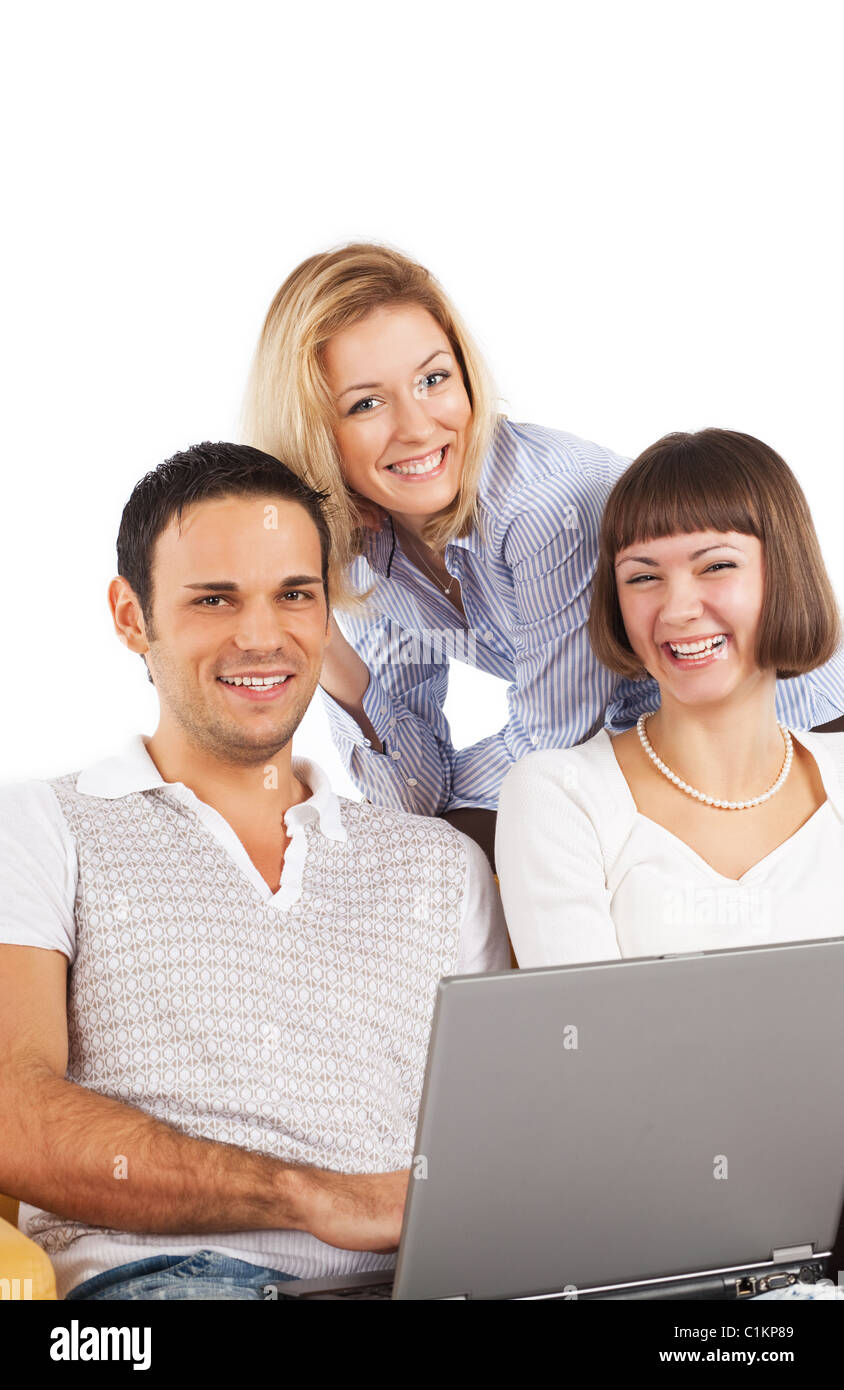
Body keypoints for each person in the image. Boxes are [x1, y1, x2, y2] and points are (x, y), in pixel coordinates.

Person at [0, 442, 509, 1301]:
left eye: (295, 595)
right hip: (169, 1284)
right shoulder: (44, 826)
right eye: (213, 599)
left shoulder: (440, 865)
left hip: (425, 1281)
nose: (262, 636)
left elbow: (512, 1132)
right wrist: (307, 1197)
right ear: (132, 617)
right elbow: (14, 1113)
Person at [242, 245, 844, 868]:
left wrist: (438, 812)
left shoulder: (542, 509)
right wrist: (331, 655)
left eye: (433, 379)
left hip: (786, 734)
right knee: (428, 861)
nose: (419, 427)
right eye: (366, 403)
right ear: (314, 430)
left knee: (449, 856)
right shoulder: (362, 550)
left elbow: (555, 741)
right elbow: (412, 795)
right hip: (637, 754)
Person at [495, 428, 844, 965]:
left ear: (787, 574)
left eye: (717, 566)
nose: (677, 609)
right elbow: (585, 1037)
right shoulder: (559, 797)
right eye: (642, 577)